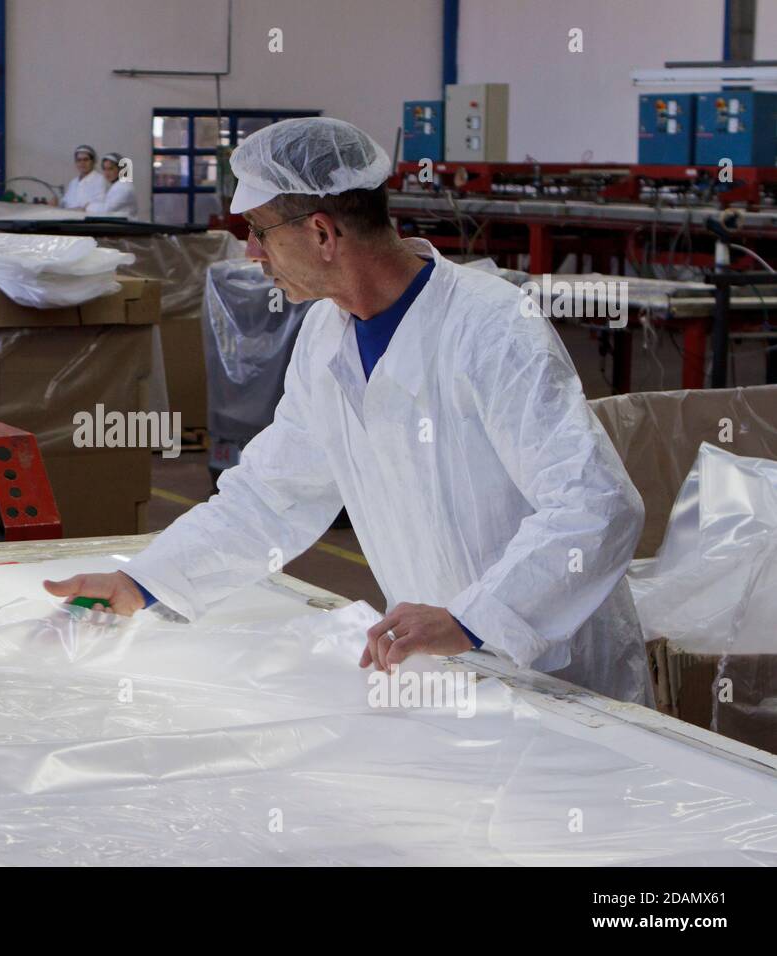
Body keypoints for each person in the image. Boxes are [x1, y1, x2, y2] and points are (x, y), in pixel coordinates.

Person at [44, 116, 653, 705]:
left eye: (259, 230)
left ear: (321, 233)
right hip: (439, 661)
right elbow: (271, 494)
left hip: (561, 671)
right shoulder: (326, 334)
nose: (252, 251)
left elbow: (595, 503)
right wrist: (143, 582)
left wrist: (475, 618)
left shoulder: (492, 328)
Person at [85, 152, 137, 217]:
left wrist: (87, 207)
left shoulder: (123, 187)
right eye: (105, 169)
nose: (107, 173)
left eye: (110, 169)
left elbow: (106, 209)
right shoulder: (118, 185)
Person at [60, 145, 107, 210]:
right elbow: (65, 202)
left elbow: (99, 203)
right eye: (79, 160)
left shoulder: (100, 180)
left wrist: (83, 208)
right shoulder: (73, 182)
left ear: (93, 161)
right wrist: (56, 202)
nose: (82, 163)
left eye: (86, 159)